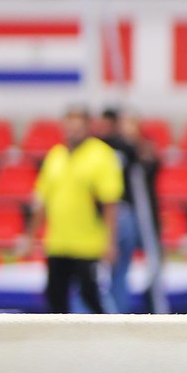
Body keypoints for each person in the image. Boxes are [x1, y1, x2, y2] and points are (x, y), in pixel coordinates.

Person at [28, 105, 124, 314]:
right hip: (58, 242)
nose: (73, 131)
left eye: (78, 126)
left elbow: (110, 202)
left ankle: (107, 339)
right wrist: (31, 235)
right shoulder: (56, 156)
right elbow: (42, 199)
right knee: (55, 298)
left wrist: (110, 242)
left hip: (88, 244)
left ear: (88, 127)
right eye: (69, 126)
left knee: (92, 297)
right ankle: (62, 344)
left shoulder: (101, 156)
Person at [98, 108, 164, 314]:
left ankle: (153, 305)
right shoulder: (113, 148)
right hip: (123, 217)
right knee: (119, 269)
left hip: (145, 218)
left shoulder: (141, 150)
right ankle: (118, 310)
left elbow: (151, 169)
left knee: (155, 267)